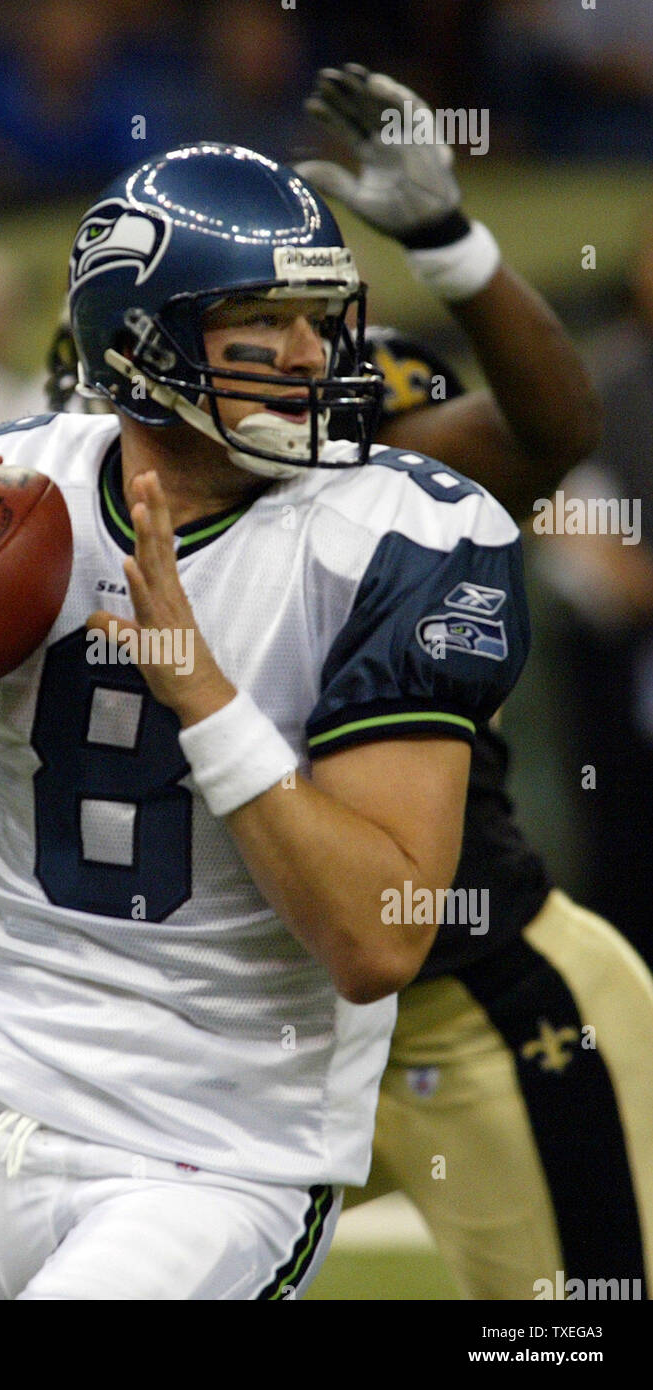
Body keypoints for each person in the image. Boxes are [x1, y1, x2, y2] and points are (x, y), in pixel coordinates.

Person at [0, 142, 527, 1300]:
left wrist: (199, 690)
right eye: (262, 320)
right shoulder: (1, 491)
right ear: (140, 342)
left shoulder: (399, 538)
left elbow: (374, 942)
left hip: (217, 1159)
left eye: (319, 314)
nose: (314, 352)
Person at [298, 65, 653, 1300]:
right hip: (234, 1024)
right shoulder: (71, 504)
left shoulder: (371, 470)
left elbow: (546, 435)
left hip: (474, 995)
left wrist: (448, 243)